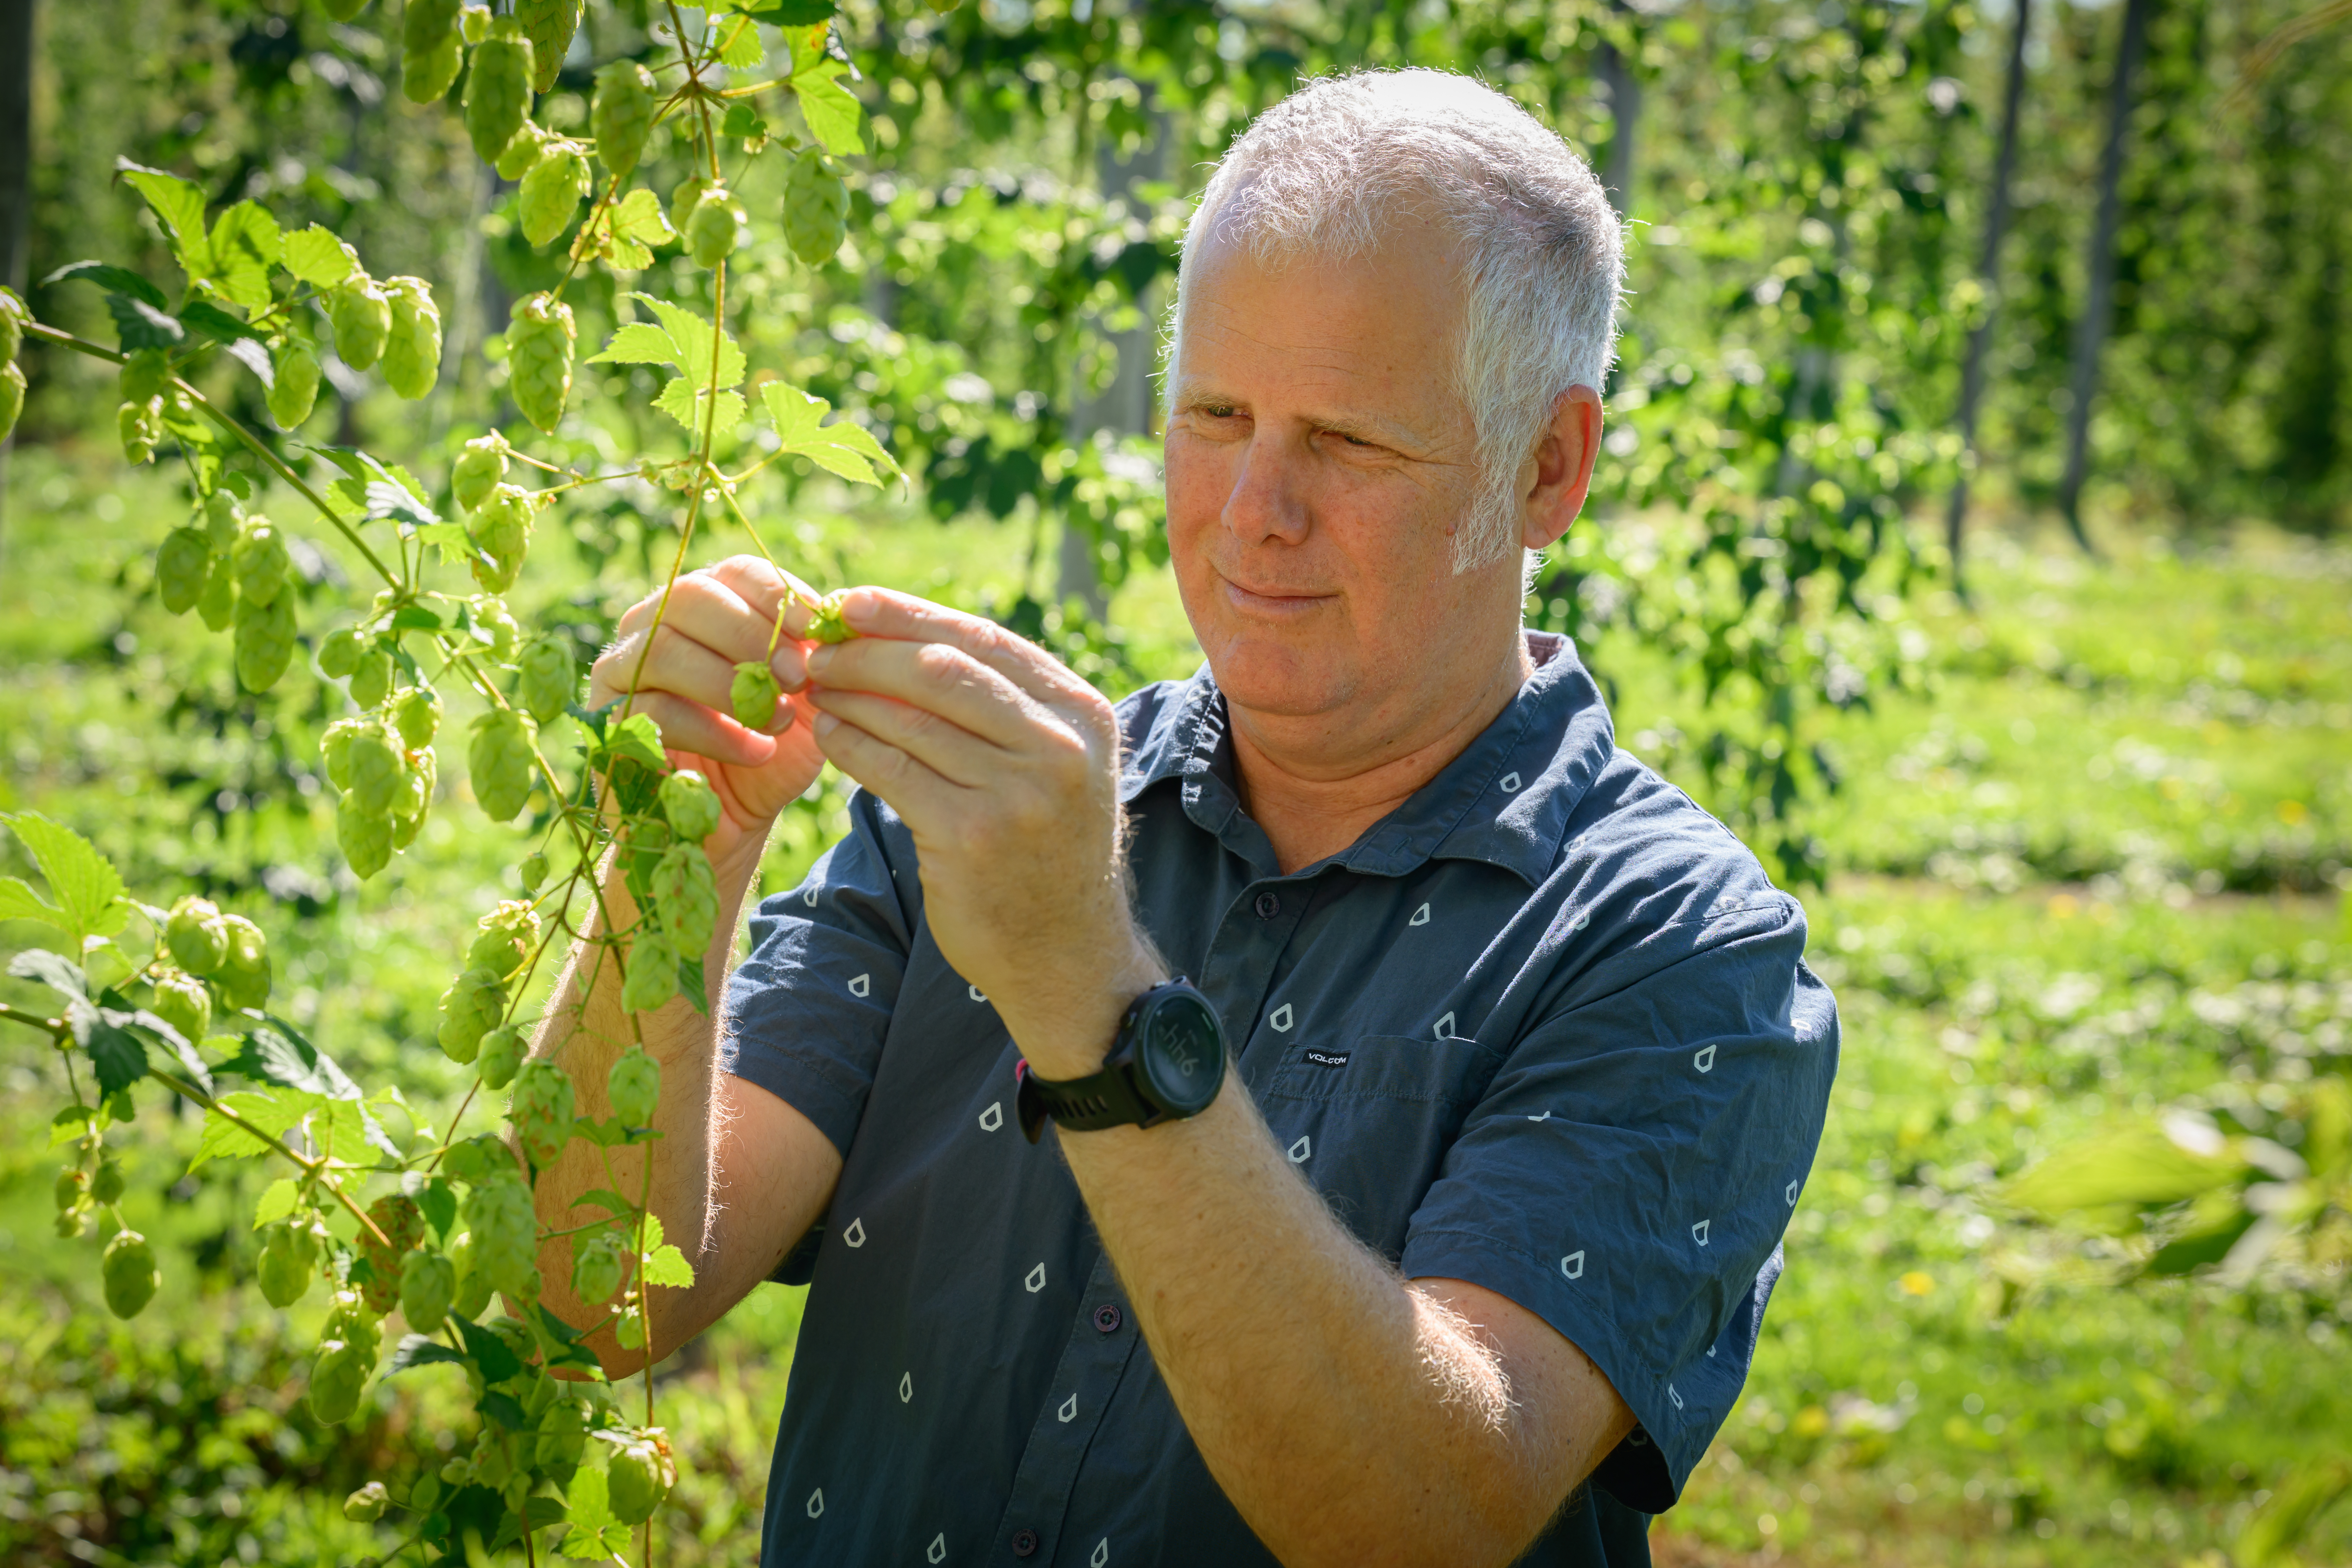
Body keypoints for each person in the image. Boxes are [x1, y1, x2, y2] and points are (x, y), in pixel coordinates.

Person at [529, 67, 1838, 1568]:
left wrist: (1084, 986)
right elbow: (596, 1295)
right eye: (1215, 414)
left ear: (1548, 469)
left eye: (1346, 443)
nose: (1252, 510)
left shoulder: (1676, 947)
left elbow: (1422, 1519)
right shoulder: (984, 812)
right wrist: (679, 856)